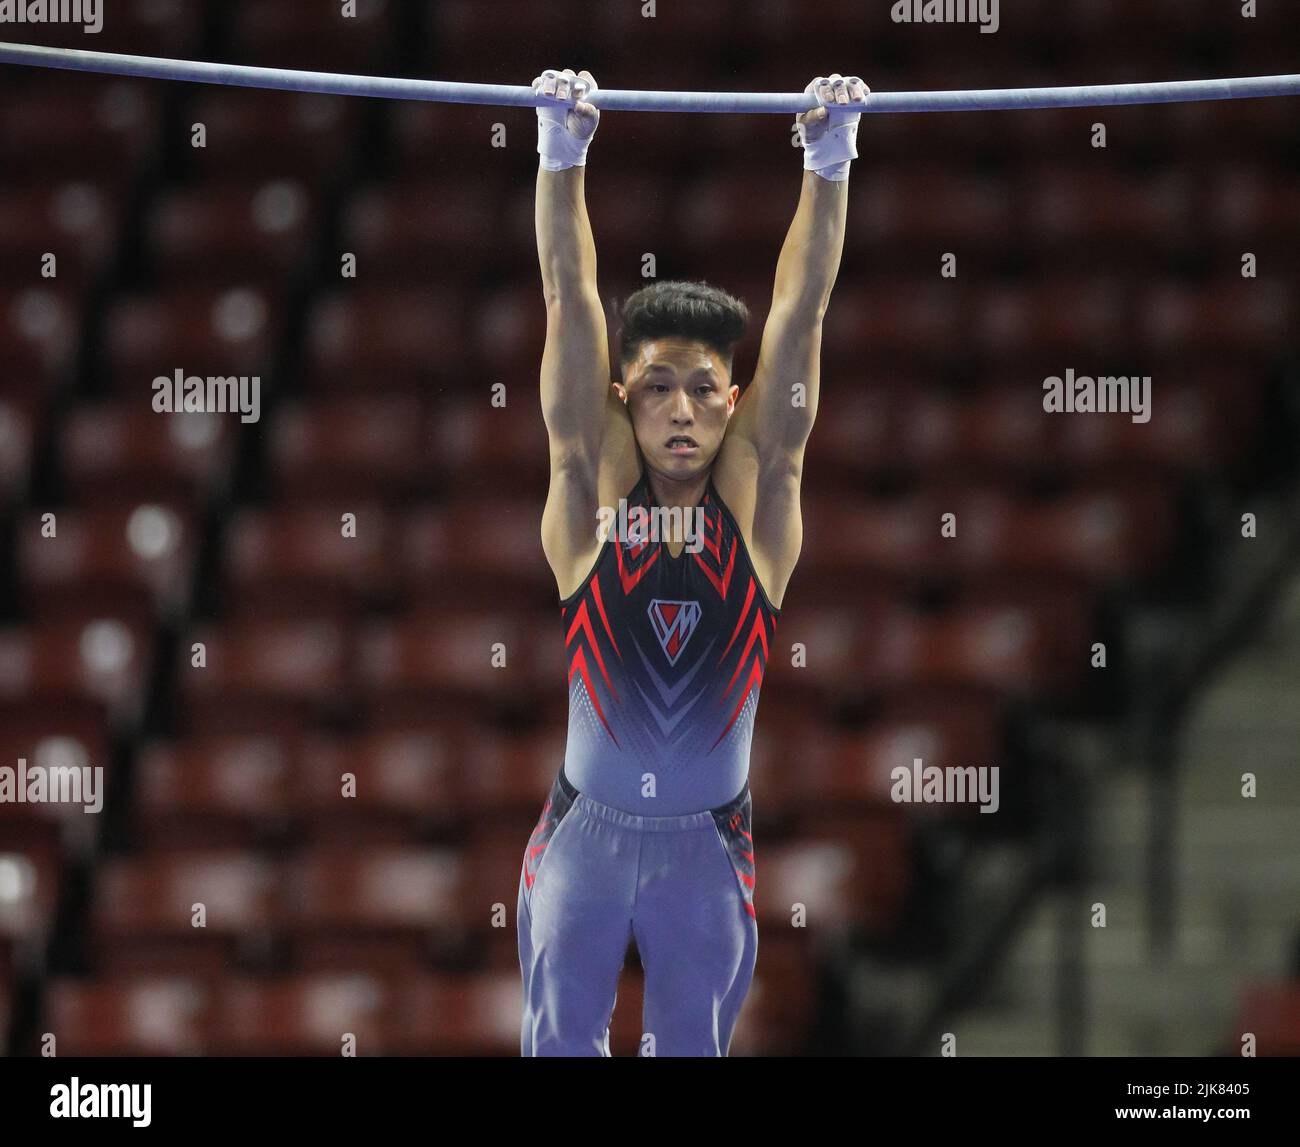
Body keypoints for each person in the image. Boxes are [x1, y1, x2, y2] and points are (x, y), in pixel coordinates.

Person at [518, 66, 868, 1056]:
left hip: (707, 852)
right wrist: (562, 156)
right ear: (624, 398)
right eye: (656, 387)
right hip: (581, 842)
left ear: (731, 401)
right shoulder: (586, 505)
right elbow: (566, 294)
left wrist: (827, 160)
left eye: (702, 390)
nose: (679, 409)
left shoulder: (760, 513)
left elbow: (800, 316)